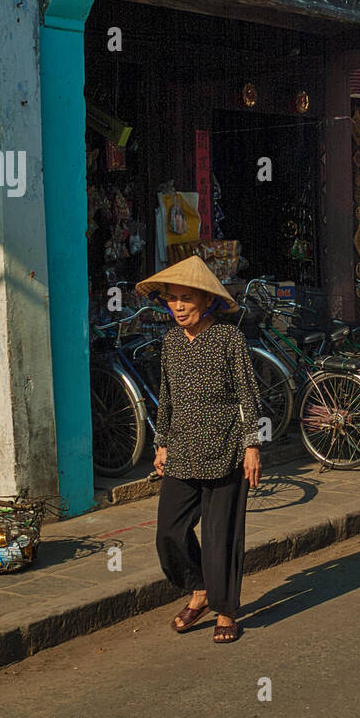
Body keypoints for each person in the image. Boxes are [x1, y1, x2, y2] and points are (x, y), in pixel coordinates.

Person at [135, 256, 263, 644]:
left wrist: (251, 446)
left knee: (220, 536)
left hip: (225, 450)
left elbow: (247, 395)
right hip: (183, 451)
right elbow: (167, 398)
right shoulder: (171, 342)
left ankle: (225, 610)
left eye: (185, 299)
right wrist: (161, 443)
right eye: (171, 299)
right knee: (169, 533)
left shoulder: (229, 339)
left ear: (206, 301)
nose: (177, 306)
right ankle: (199, 589)